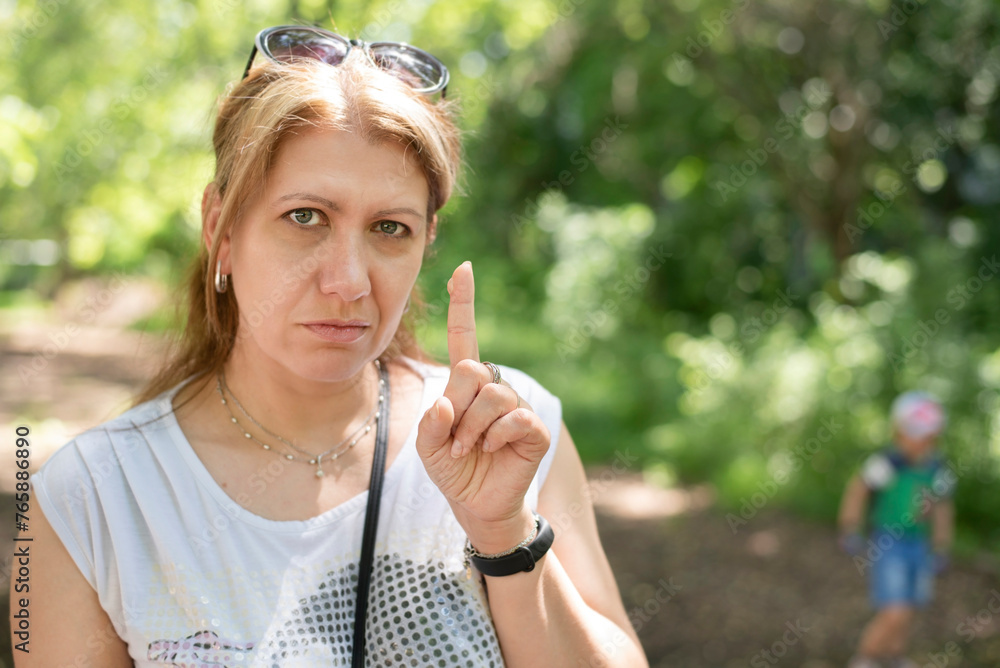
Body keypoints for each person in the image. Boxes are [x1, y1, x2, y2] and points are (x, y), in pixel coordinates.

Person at [15, 25, 648, 667]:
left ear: (426, 242)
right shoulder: (92, 502)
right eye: (305, 217)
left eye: (389, 228)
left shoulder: (508, 435)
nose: (348, 281)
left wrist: (505, 535)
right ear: (221, 230)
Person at [837, 391, 955, 668]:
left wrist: (942, 544)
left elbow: (942, 508)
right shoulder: (889, 463)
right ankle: (865, 657)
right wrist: (849, 527)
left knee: (910, 607)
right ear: (898, 432)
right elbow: (858, 489)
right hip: (889, 543)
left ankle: (893, 656)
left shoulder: (936, 469)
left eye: (925, 435)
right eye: (911, 433)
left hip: (919, 545)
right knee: (894, 610)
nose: (918, 441)